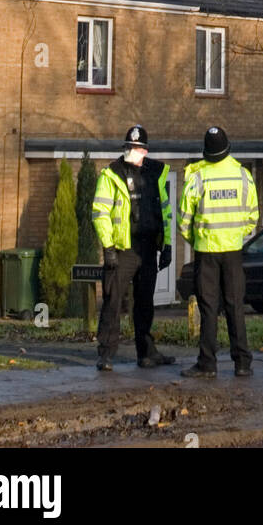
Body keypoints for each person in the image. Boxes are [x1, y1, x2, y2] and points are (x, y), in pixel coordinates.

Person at [92, 125, 176, 371]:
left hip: (148, 247)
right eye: (130, 146)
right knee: (113, 301)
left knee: (145, 302)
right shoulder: (112, 174)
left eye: (138, 147)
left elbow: (166, 212)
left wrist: (168, 244)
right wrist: (108, 247)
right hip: (122, 249)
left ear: (145, 150)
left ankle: (146, 353)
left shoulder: (155, 174)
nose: (133, 150)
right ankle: (106, 354)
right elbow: (100, 213)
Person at [177, 126, 259, 378]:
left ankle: (207, 363)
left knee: (209, 308)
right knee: (235, 306)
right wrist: (235, 235)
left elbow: (183, 221)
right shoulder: (243, 176)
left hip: (207, 252)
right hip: (233, 251)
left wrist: (198, 239)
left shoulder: (198, 177)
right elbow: (252, 217)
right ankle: (242, 362)